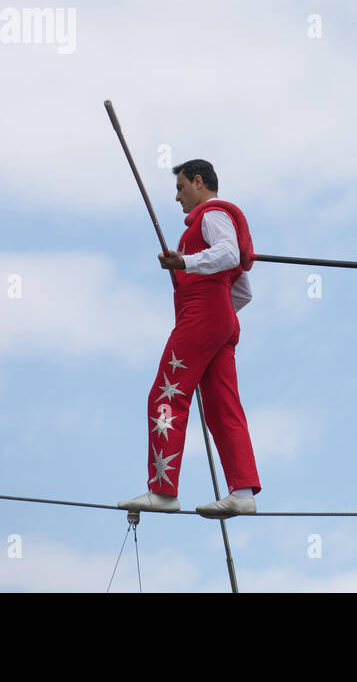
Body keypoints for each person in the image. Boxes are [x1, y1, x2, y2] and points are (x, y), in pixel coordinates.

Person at [118, 159, 262, 518]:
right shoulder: (210, 222)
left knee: (166, 394)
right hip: (219, 320)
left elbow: (229, 255)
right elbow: (242, 292)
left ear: (198, 182)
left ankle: (163, 490)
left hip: (201, 318)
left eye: (181, 187)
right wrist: (220, 317)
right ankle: (242, 491)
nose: (178, 197)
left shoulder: (211, 215)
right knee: (222, 406)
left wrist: (185, 264)